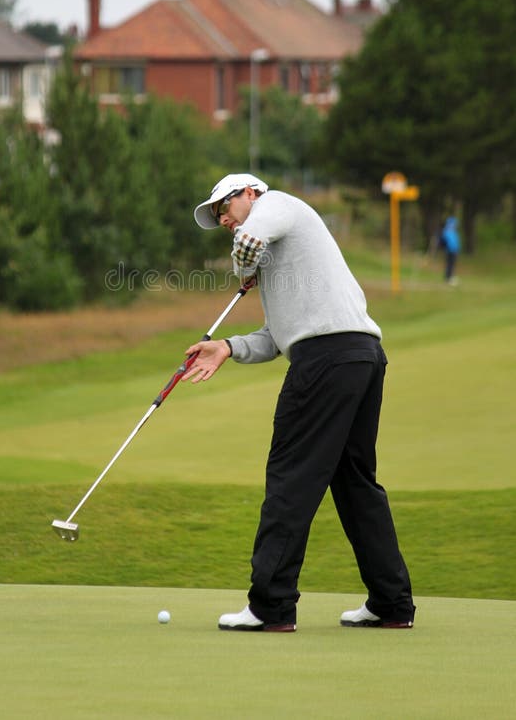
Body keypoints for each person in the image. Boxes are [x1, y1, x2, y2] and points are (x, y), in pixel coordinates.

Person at [182, 173, 415, 633]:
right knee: (354, 483)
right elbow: (278, 337)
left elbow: (248, 238)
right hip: (361, 358)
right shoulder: (280, 253)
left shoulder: (278, 205)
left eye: (223, 208)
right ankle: (392, 603)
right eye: (215, 216)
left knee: (291, 477)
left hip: (328, 362)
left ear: (250, 193)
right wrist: (227, 347)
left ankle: (270, 606)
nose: (222, 219)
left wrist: (244, 269)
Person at [439, 217, 461, 285]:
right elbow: (444, 241)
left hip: (454, 250)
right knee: (450, 264)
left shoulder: (453, 231)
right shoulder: (447, 231)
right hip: (449, 250)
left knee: (452, 264)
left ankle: (450, 277)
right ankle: (448, 278)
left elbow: (456, 242)